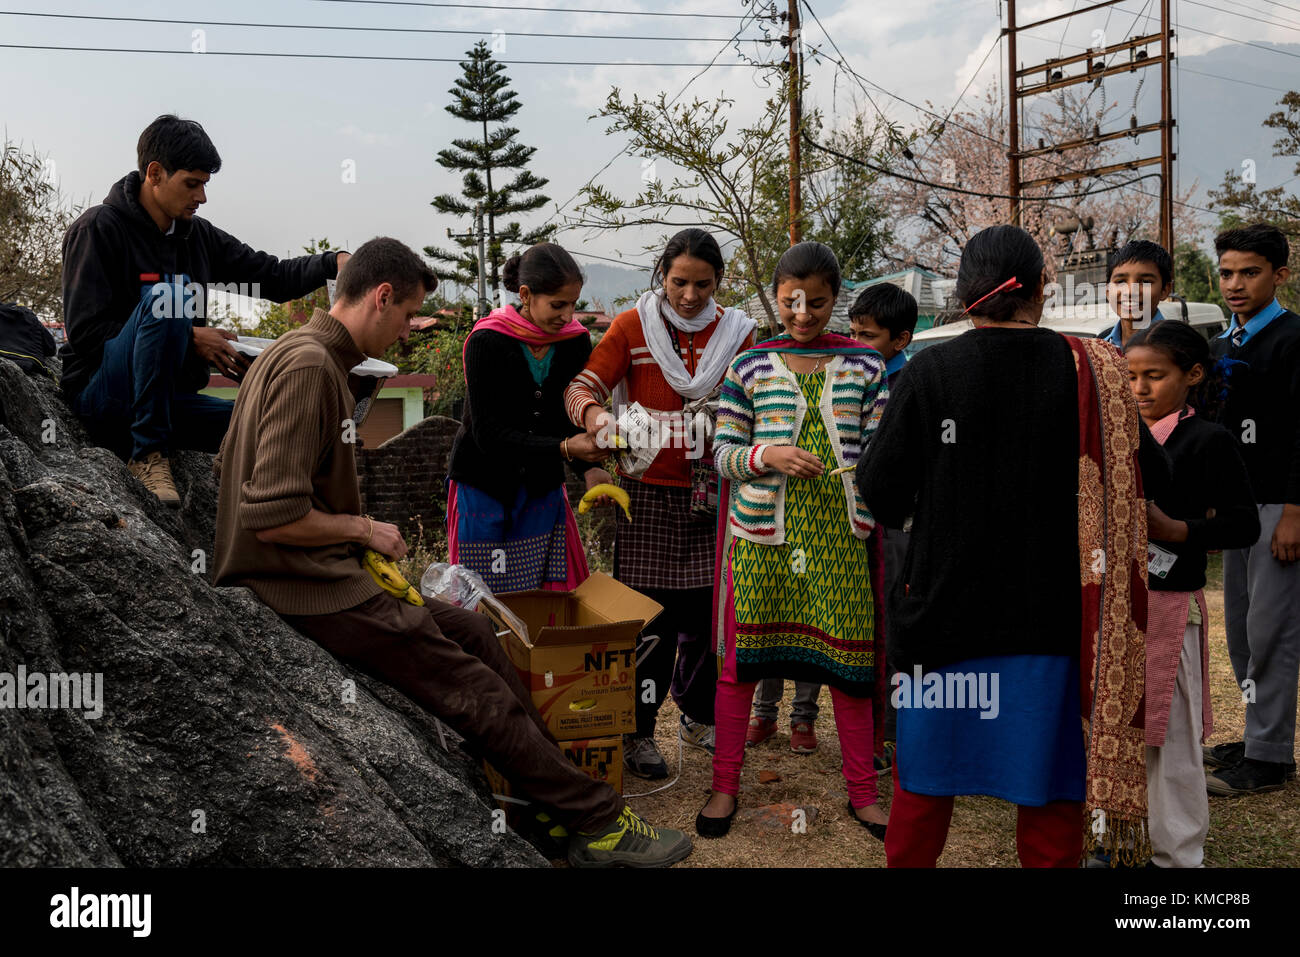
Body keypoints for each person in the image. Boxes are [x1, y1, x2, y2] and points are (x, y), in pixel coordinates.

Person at [212, 236, 691, 868]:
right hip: (305, 587)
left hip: (322, 573)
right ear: (381, 297)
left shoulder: (294, 352)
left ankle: (537, 800)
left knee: (473, 631)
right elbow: (270, 515)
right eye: (409, 314)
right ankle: (599, 823)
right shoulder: (310, 369)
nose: (410, 331)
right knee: (471, 686)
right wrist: (362, 531)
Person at [858, 224, 1173, 868]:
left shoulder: (929, 371)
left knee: (920, 793)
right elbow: (1152, 478)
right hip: (1053, 619)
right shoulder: (1096, 372)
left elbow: (881, 491)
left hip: (942, 618)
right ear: (1041, 290)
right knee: (1053, 796)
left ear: (967, 293)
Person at [60, 114, 349, 506]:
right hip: (104, 398)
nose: (202, 196)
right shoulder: (98, 228)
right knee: (173, 295)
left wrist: (334, 263)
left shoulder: (197, 236)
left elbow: (273, 277)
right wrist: (188, 337)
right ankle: (147, 455)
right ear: (155, 173)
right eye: (192, 184)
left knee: (271, 425)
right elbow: (86, 334)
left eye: (205, 185)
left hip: (169, 403)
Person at [702, 242, 890, 839]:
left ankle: (864, 795)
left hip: (841, 540)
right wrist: (769, 454)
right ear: (776, 297)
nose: (803, 314)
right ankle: (724, 787)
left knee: (851, 668)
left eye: (817, 301)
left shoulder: (866, 367)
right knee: (741, 665)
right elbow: (723, 454)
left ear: (837, 300)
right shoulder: (749, 367)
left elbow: (885, 454)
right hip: (762, 544)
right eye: (790, 301)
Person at [564, 228, 755, 779]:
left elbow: (757, 399)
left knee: (707, 620)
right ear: (661, 276)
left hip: (716, 492)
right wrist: (599, 419)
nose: (690, 295)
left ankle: (697, 714)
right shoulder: (632, 326)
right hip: (645, 497)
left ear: (719, 282)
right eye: (678, 282)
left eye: (703, 284)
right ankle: (638, 733)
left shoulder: (738, 333)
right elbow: (581, 388)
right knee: (648, 626)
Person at [1125, 320, 1260, 867]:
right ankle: (1116, 837)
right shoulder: (1116, 437)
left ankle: (1178, 854)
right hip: (1116, 606)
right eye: (1130, 377)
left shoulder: (1208, 441)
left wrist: (1180, 531)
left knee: (1170, 735)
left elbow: (1243, 525)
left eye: (1154, 376)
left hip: (1171, 607)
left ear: (1193, 375)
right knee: (1115, 729)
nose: (1139, 389)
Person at [447, 243, 609, 593]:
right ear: (525, 294)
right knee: (482, 597)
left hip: (541, 489)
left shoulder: (574, 343)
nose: (568, 316)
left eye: (573, 304)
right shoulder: (487, 341)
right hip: (483, 486)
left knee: (544, 596)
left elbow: (566, 416)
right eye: (557, 305)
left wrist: (590, 469)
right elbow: (488, 435)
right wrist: (567, 449)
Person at [1203, 223, 1300, 796]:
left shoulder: (1293, 339)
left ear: (1279, 274)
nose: (1235, 284)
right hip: (1236, 510)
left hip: (1277, 509)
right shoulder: (1220, 347)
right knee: (1239, 630)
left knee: (1272, 631)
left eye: (1249, 272)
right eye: (1227, 273)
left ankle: (1269, 759)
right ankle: (1256, 734)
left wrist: (1294, 510)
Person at [848, 281, 920, 768]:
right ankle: (864, 733)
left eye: (868, 336)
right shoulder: (849, 379)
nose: (856, 345)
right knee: (859, 629)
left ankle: (892, 736)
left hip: (897, 525)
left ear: (902, 340)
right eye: (852, 333)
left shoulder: (911, 385)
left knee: (894, 631)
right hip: (854, 522)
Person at [1104, 240, 1174, 347]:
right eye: (1120, 282)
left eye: (1145, 282)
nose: (1130, 292)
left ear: (1164, 290)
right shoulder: (1098, 346)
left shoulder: (1180, 347)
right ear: (1108, 291)